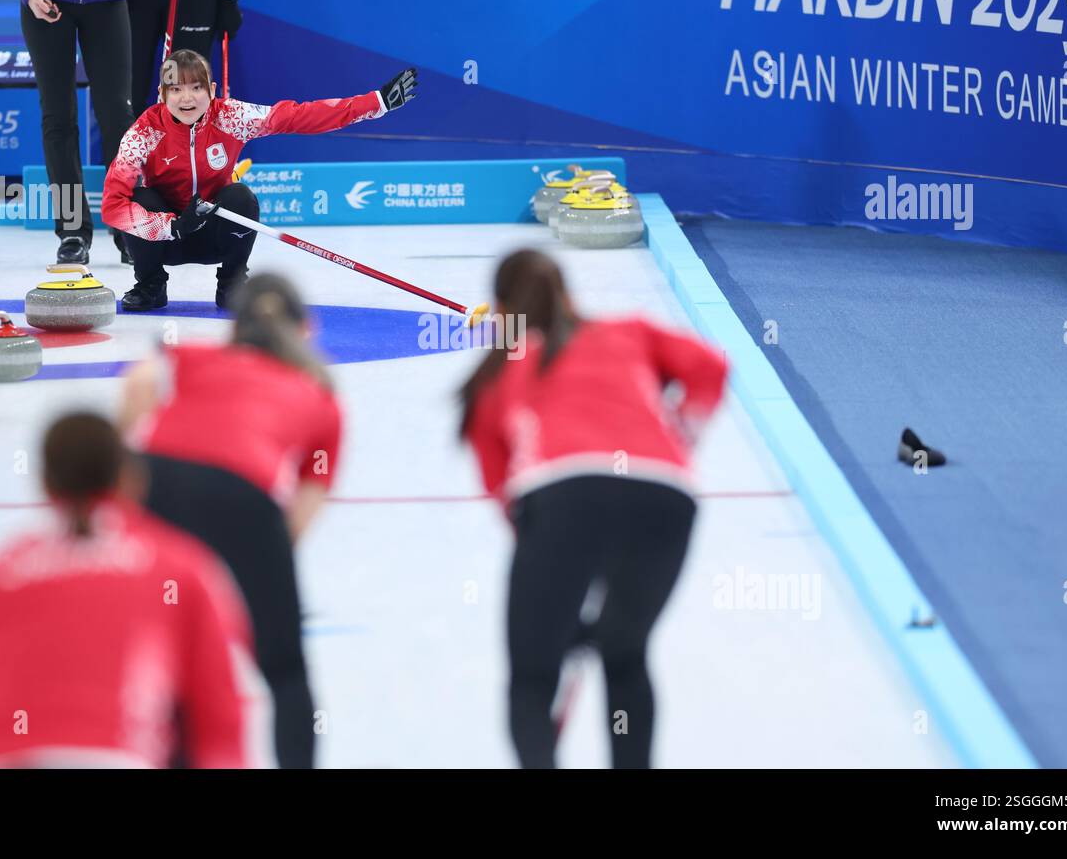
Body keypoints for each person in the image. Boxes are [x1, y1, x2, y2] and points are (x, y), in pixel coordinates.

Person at [459, 250, 729, 769]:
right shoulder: (629, 331)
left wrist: (553, 575)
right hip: (665, 495)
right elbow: (711, 368)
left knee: (533, 678)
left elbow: (506, 495)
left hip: (561, 497)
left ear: (500, 308)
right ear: (567, 293)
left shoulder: (498, 372)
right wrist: (680, 437)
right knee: (625, 654)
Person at [0, 412, 251, 769]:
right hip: (112, 757)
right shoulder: (177, 568)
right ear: (129, 478)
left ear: (45, 483)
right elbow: (220, 721)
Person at [118, 272, 340, 768]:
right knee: (284, 670)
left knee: (169, 659)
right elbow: (307, 500)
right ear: (305, 329)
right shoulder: (320, 393)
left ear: (236, 327)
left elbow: (140, 383)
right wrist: (259, 558)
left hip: (156, 483)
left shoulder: (197, 356)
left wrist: (118, 476)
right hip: (244, 497)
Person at [102, 48, 417, 311]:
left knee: (241, 197)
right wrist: (171, 226)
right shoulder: (144, 131)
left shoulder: (231, 116)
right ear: (161, 94)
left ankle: (232, 283)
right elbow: (112, 206)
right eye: (176, 89)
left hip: (215, 232)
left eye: (196, 87)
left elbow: (295, 116)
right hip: (166, 240)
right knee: (140, 200)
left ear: (212, 91)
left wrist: (376, 103)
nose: (187, 98)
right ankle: (151, 284)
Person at [0, 0, 199, 266]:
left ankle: (125, 226)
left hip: (107, 0)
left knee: (118, 115)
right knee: (58, 116)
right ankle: (72, 231)